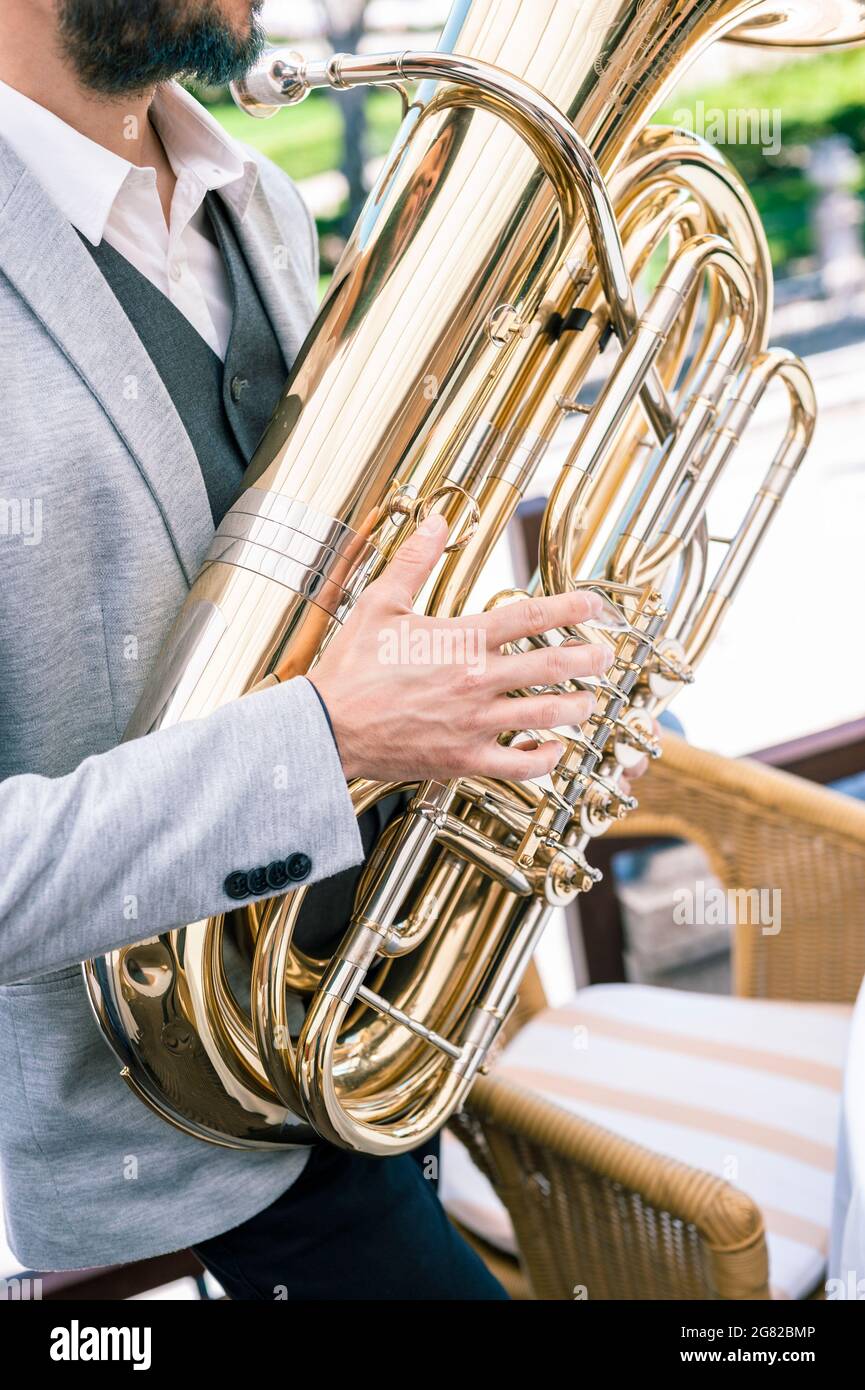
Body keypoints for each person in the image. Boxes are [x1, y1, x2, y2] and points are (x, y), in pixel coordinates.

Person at [0, 0, 640, 1299]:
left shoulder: (265, 204)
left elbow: (348, 598)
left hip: (381, 1050)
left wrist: (478, 690)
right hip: (179, 1180)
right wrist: (330, 743)